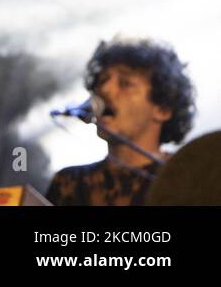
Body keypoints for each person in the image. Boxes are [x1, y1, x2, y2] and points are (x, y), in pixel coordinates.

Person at [46, 37, 196, 206]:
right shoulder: (69, 182)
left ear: (162, 110)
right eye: (102, 81)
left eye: (125, 83)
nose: (104, 90)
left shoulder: (191, 179)